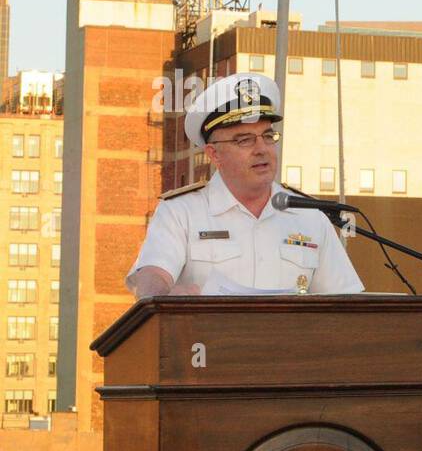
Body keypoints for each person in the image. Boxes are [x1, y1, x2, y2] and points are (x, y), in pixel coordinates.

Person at [126, 73, 363, 298]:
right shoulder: (181, 212)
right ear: (214, 154)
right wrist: (162, 298)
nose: (262, 149)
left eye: (268, 136)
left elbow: (345, 300)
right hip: (206, 340)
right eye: (245, 140)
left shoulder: (310, 216)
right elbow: (152, 276)